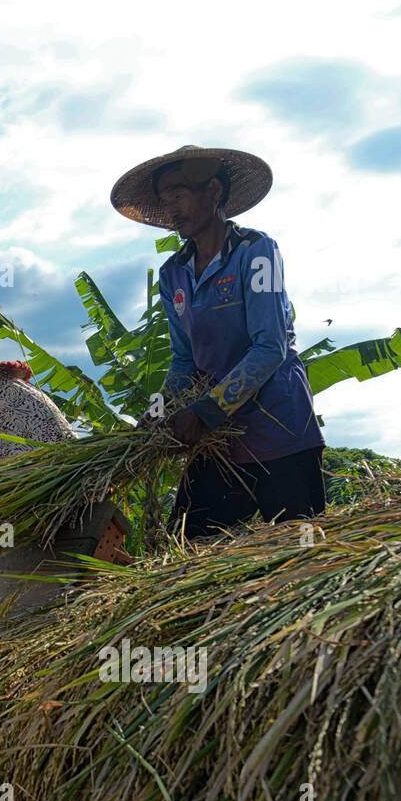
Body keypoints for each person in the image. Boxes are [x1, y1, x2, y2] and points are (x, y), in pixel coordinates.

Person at [110, 145, 325, 538]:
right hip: (218, 441)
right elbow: (182, 361)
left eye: (179, 195)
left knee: (299, 546)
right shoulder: (173, 273)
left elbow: (270, 347)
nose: (171, 209)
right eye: (164, 200)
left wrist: (205, 411)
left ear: (213, 191)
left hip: (279, 426)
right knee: (189, 543)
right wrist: (156, 412)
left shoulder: (257, 253)